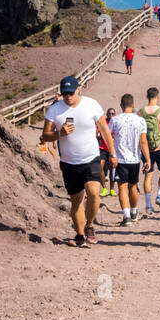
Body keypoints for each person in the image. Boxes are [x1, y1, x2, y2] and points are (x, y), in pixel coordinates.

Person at [41, 76, 113, 246]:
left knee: (94, 193)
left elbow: (105, 130)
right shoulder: (55, 110)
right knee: (76, 201)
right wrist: (60, 134)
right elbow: (45, 135)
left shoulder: (92, 104)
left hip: (91, 158)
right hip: (69, 162)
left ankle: (90, 225)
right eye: (64, 93)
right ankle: (80, 235)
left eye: (71, 92)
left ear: (78, 89)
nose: (68, 96)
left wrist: (113, 153)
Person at [109, 93, 151, 226]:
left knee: (122, 187)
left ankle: (126, 217)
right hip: (135, 159)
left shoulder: (115, 120)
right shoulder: (140, 120)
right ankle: (134, 212)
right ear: (133, 105)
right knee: (133, 186)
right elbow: (143, 142)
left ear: (121, 105)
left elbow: (108, 136)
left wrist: (112, 153)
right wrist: (147, 160)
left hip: (120, 159)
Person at [99, 107, 117, 195]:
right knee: (100, 166)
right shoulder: (103, 122)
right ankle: (104, 188)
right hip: (102, 148)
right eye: (109, 113)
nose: (111, 115)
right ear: (106, 114)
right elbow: (98, 131)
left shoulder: (116, 122)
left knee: (112, 169)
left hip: (112, 149)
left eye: (113, 113)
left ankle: (112, 189)